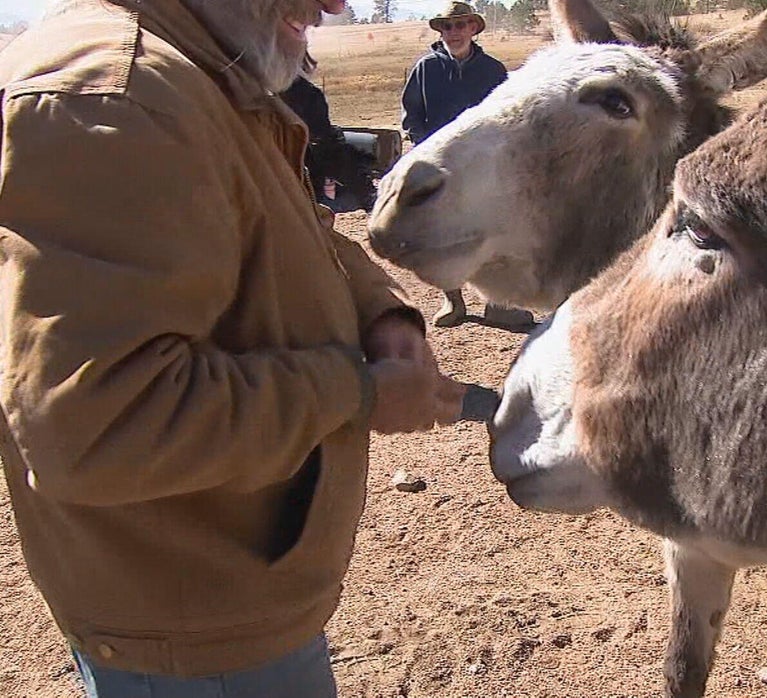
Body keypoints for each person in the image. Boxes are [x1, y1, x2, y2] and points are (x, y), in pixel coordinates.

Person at [0, 1, 466, 696]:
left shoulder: (190, 72)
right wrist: (358, 391)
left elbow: (281, 228)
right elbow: (96, 426)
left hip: (228, 607)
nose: (336, 3)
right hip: (198, 644)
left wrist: (379, 311)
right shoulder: (120, 101)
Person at [401, 1, 534, 329]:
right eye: (448, 26)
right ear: (440, 31)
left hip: (485, 169)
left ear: (473, 28)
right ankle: (453, 301)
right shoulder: (425, 69)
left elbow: (507, 119)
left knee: (491, 233)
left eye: (461, 25)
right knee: (440, 234)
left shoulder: (493, 71)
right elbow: (411, 117)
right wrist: (424, 150)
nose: (454, 32)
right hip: (438, 168)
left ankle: (497, 304)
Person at [281, 57, 378, 213]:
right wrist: (365, 191)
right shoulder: (304, 94)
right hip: (297, 189)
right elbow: (326, 147)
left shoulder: (243, 90)